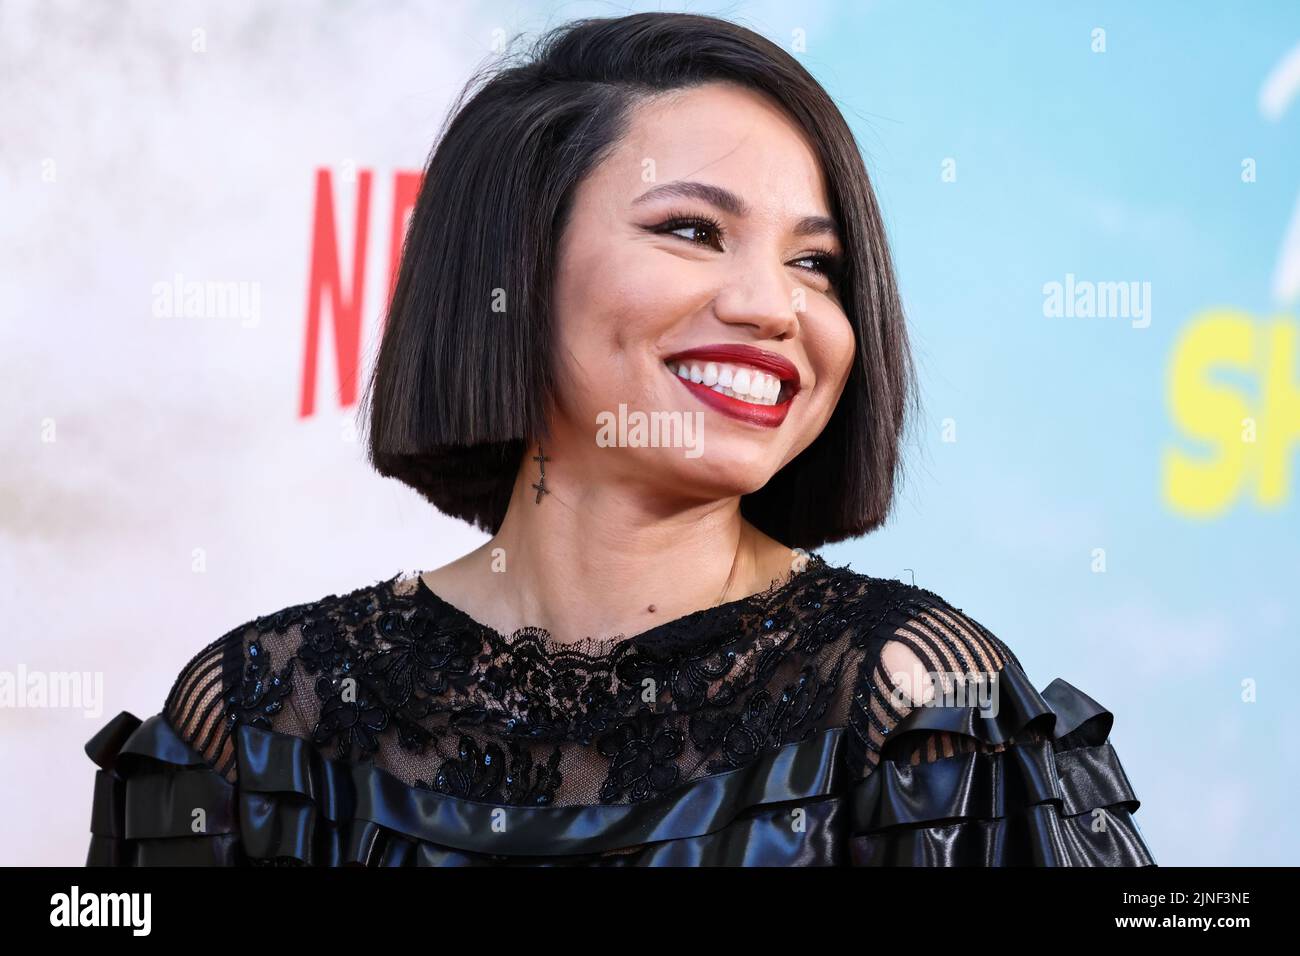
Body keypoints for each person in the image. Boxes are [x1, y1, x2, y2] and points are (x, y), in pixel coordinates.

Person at [83, 11, 1155, 867]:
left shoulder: (916, 703)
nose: (774, 306)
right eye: (692, 230)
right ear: (510, 267)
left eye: (816, 263)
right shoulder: (260, 708)